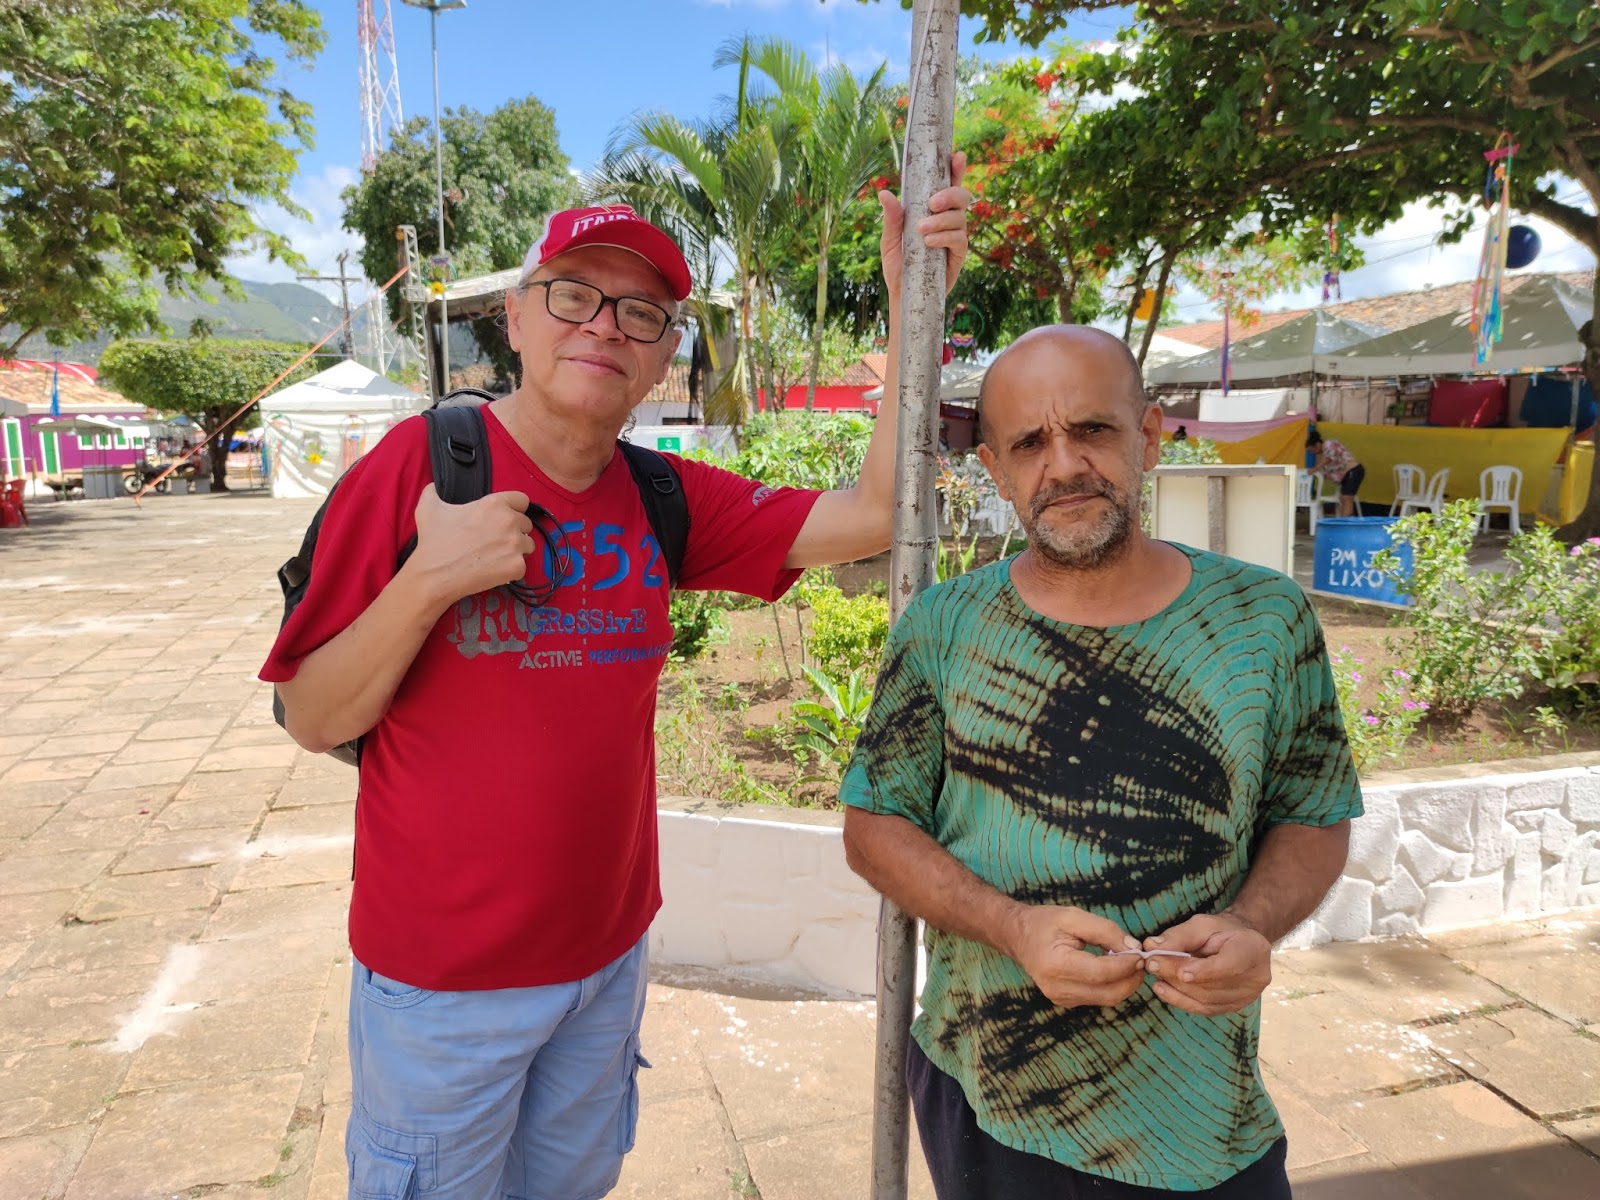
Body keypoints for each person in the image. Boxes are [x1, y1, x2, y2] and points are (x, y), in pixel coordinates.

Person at [261, 171, 969, 1200]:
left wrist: (913, 312)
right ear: (515, 315)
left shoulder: (659, 494)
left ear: (665, 350)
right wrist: (430, 577)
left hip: (603, 968)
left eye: (640, 311)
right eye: (572, 294)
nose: (604, 326)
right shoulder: (417, 468)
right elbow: (312, 714)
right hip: (443, 987)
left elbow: (872, 511)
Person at [840, 325, 1361, 1200]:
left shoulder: (1263, 619)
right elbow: (873, 826)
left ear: (1150, 436)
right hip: (992, 1090)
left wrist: (1253, 925)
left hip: (1203, 1112)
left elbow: (1312, 813)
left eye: (1094, 430)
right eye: (1030, 444)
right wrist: (1012, 927)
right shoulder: (943, 626)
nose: (1065, 464)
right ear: (999, 472)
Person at [1306, 427, 1363, 516]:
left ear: (1317, 445)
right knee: (1342, 498)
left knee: (1346, 498)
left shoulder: (1329, 444)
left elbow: (1329, 458)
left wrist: (1314, 469)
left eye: (1311, 450)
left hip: (1353, 470)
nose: (1312, 453)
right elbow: (1330, 471)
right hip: (1347, 474)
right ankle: (1344, 520)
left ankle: (1345, 524)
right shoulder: (1324, 456)